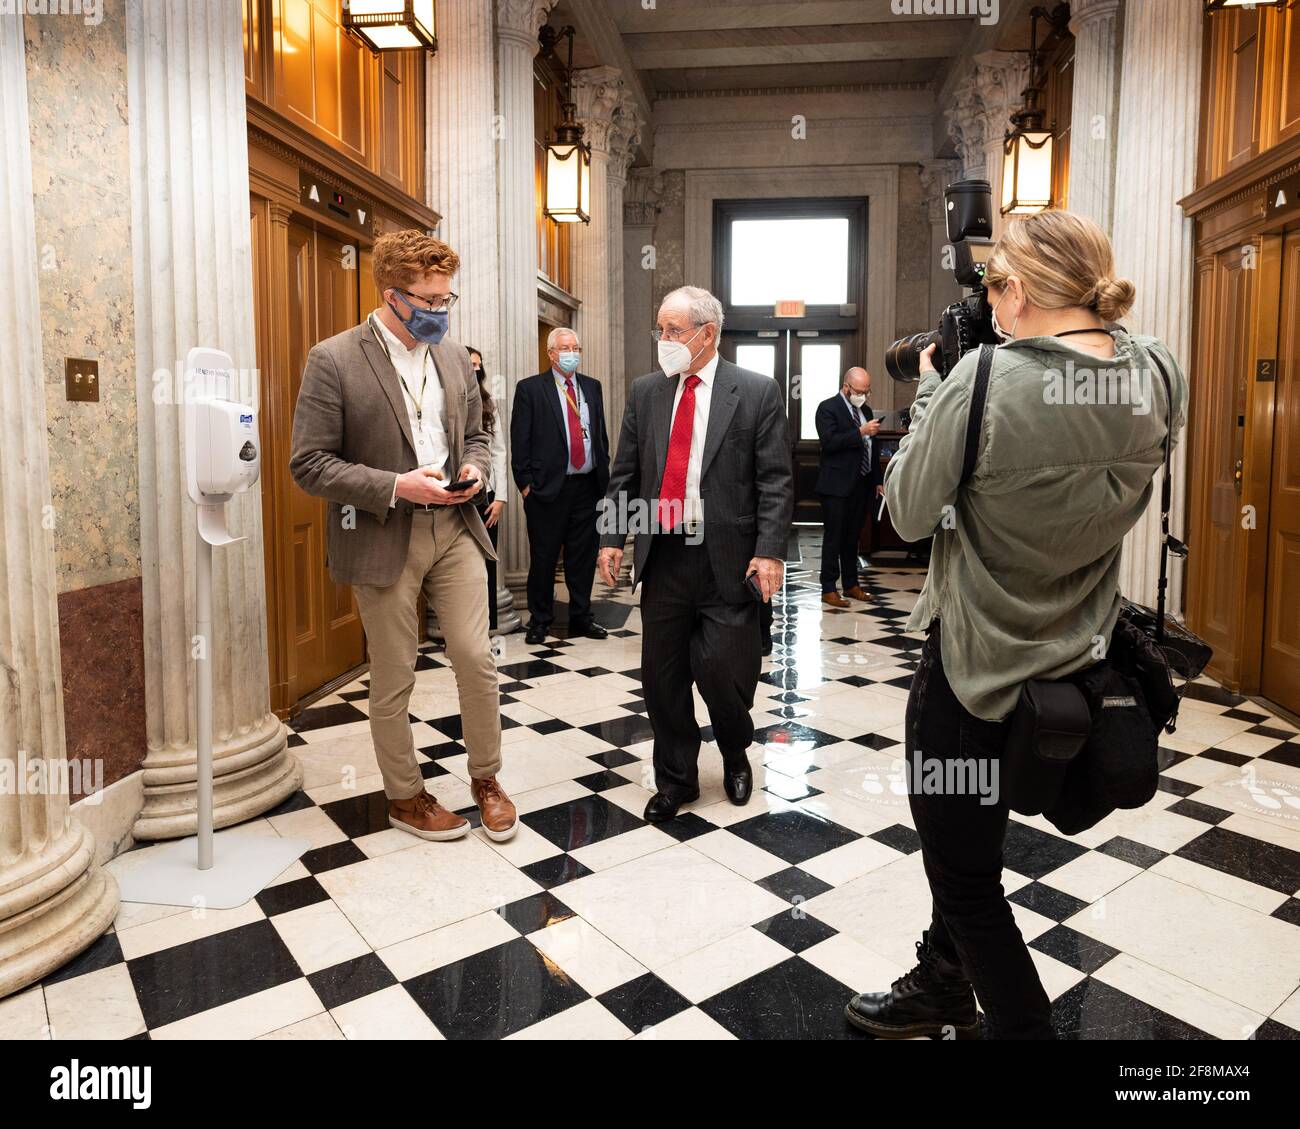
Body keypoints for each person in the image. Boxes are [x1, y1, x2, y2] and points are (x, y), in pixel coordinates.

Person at [844, 209, 1188, 1040]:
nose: (992, 301)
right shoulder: (1160, 372)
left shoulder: (985, 380)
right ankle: (938, 983)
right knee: (973, 845)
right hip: (1077, 662)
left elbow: (911, 514)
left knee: (965, 880)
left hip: (970, 675)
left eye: (997, 285)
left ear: (1022, 291)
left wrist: (935, 387)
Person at [290, 230, 518, 844]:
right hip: (383, 535)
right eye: (429, 301)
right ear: (392, 295)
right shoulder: (334, 359)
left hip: (456, 526)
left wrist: (476, 468)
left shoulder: (451, 358)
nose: (441, 312)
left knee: (475, 657)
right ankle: (406, 796)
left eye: (447, 300)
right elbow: (309, 463)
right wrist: (396, 485)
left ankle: (486, 779)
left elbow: (476, 434)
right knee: (394, 674)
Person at [598, 286, 793, 823]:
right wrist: (613, 537)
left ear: (707, 334)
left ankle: (735, 750)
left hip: (728, 558)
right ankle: (677, 780)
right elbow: (625, 474)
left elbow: (775, 480)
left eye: (673, 330)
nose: (663, 340)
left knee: (723, 671)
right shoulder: (646, 392)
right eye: (660, 329)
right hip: (664, 558)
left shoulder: (755, 392)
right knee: (661, 680)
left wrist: (770, 552)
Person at [511, 328, 611, 645]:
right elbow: (520, 441)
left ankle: (582, 617)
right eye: (565, 348)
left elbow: (600, 436)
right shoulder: (530, 389)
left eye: (576, 347)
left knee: (582, 557)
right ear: (551, 353)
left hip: (587, 487)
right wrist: (526, 486)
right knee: (544, 558)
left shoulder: (592, 388)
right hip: (547, 491)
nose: (571, 353)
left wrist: (603, 478)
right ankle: (540, 620)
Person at [815, 366, 883, 606]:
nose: (863, 395)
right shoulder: (827, 408)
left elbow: (871, 448)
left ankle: (851, 584)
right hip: (836, 485)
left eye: (867, 391)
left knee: (852, 538)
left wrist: (877, 480)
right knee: (835, 537)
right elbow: (830, 442)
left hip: (861, 484)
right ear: (846, 387)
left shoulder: (865, 409)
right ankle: (828, 587)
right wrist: (860, 431)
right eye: (859, 391)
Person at [467, 347, 505, 633]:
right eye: (470, 365)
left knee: (487, 561)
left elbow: (499, 452)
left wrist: (501, 496)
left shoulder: (488, 402)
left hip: (487, 495)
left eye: (478, 366)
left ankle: (488, 625)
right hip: (458, 495)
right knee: (462, 565)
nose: (475, 370)